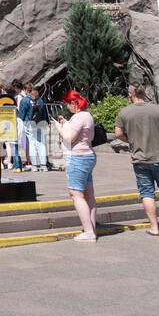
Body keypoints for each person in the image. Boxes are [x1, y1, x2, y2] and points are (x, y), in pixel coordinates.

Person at [114, 84, 159, 236]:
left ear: (130, 95)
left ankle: (155, 227)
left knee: (147, 192)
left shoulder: (124, 112)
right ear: (145, 93)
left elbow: (118, 134)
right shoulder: (158, 109)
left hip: (139, 159)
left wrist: (130, 140)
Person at [55, 90, 97, 242]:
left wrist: (57, 127)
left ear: (74, 103)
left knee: (76, 194)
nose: (67, 106)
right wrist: (66, 123)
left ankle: (88, 232)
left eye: (68, 103)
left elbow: (69, 137)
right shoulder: (87, 116)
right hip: (87, 156)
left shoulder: (79, 117)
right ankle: (91, 227)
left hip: (77, 157)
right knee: (88, 194)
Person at [23, 85, 50, 171]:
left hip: (29, 124)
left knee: (32, 144)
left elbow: (21, 114)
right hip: (40, 123)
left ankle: (34, 166)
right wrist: (47, 122)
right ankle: (44, 165)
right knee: (41, 143)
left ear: (27, 90)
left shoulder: (25, 100)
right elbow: (44, 113)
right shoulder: (40, 100)